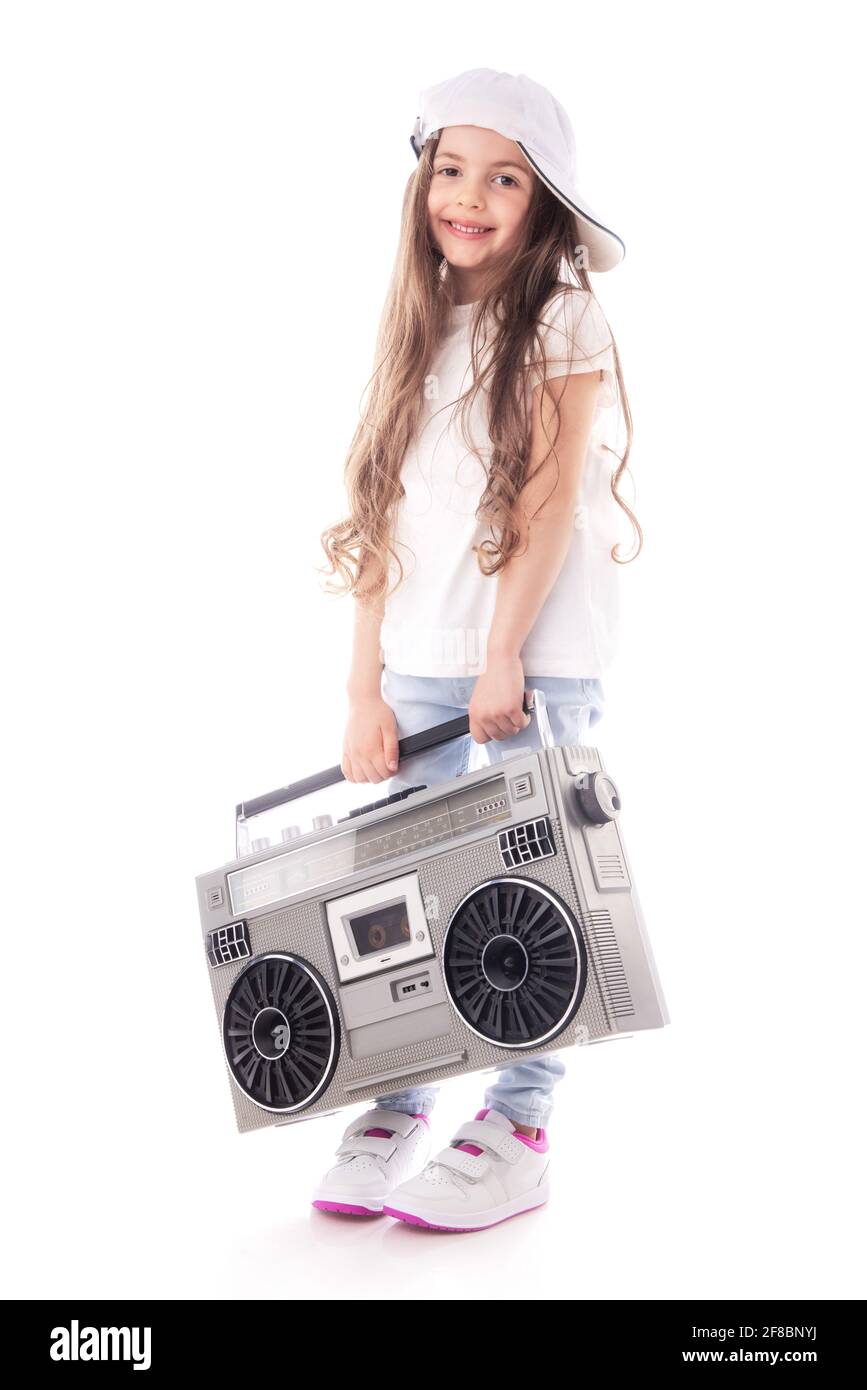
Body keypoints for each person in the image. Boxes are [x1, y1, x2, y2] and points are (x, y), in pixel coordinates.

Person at [313, 68, 641, 1231]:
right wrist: (364, 687)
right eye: (452, 169)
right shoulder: (417, 327)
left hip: (531, 661)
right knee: (396, 895)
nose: (471, 195)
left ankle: (520, 1120)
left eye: (506, 177)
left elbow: (548, 503)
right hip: (417, 659)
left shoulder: (563, 318)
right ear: (422, 184)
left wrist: (504, 656)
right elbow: (383, 525)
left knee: (526, 900)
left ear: (541, 201)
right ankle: (399, 1100)